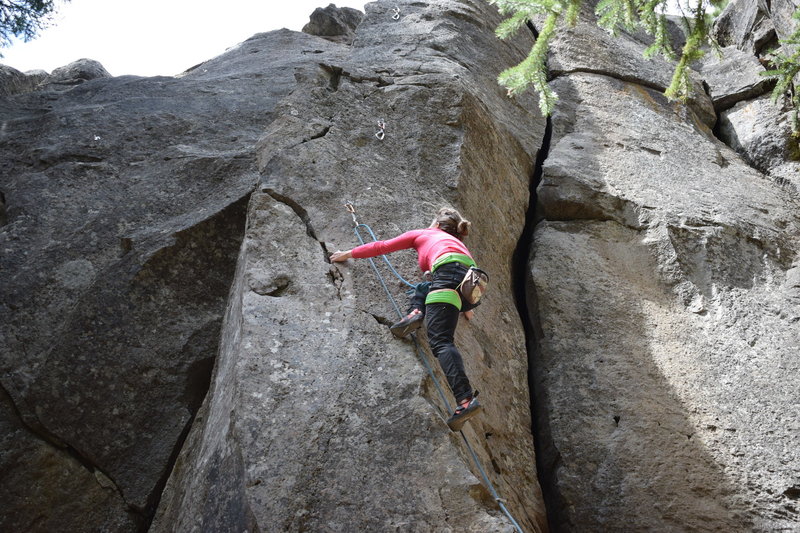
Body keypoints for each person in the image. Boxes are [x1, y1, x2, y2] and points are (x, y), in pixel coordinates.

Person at [330, 207, 483, 431]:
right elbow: (463, 277)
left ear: (436, 225)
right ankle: (417, 312)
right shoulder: (459, 245)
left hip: (447, 277)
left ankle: (466, 400)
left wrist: (348, 254)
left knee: (441, 341)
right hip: (471, 286)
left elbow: (382, 246)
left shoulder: (425, 234)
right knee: (424, 286)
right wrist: (466, 308)